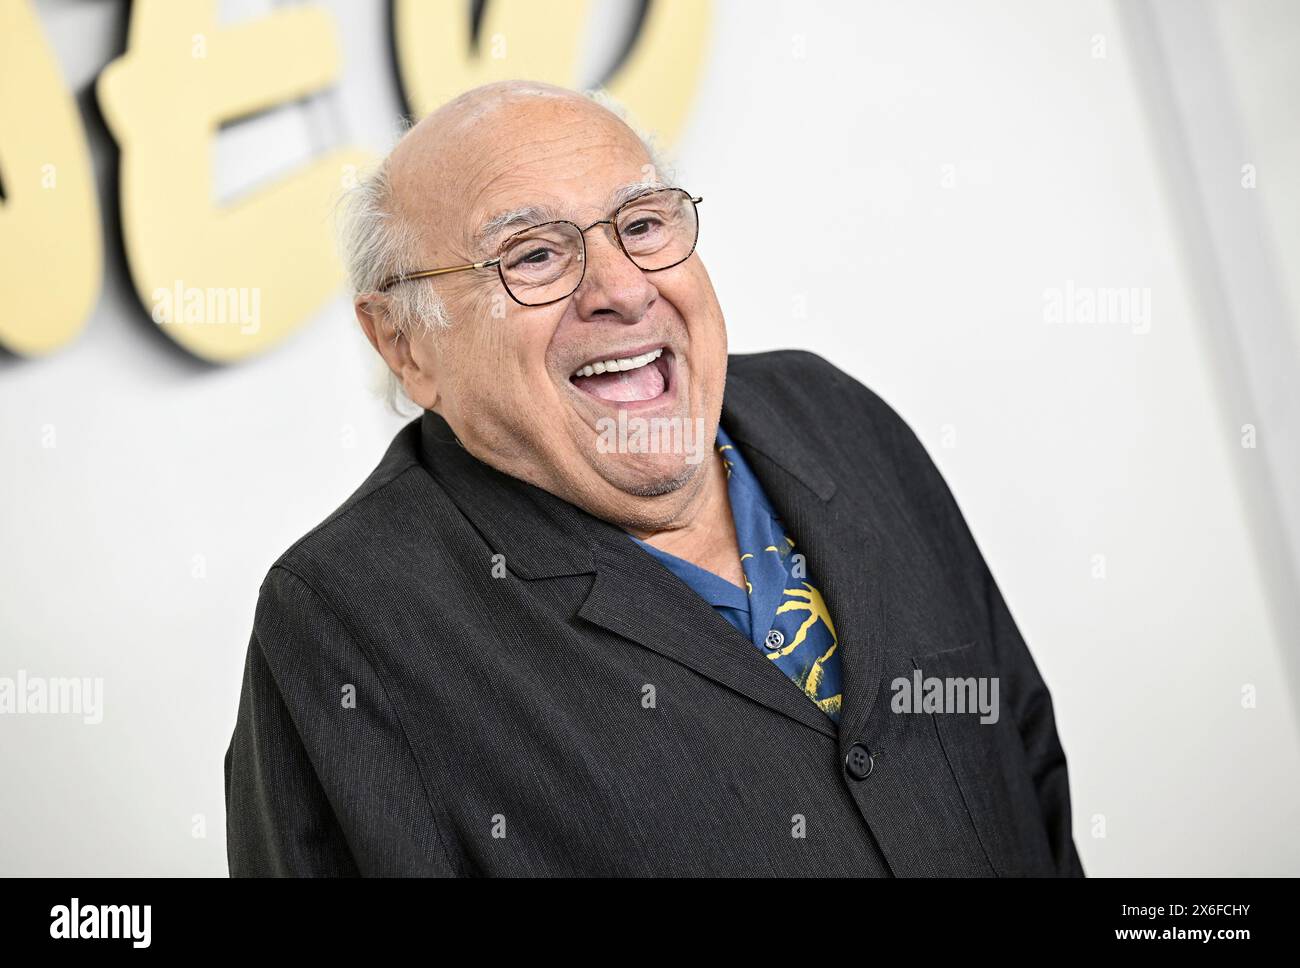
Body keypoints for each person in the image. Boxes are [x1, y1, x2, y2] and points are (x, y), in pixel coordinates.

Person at [224, 79, 1084, 877]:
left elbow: (1023, 753)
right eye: (532, 256)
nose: (623, 289)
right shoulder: (348, 616)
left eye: (641, 224)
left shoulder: (831, 414)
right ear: (405, 345)